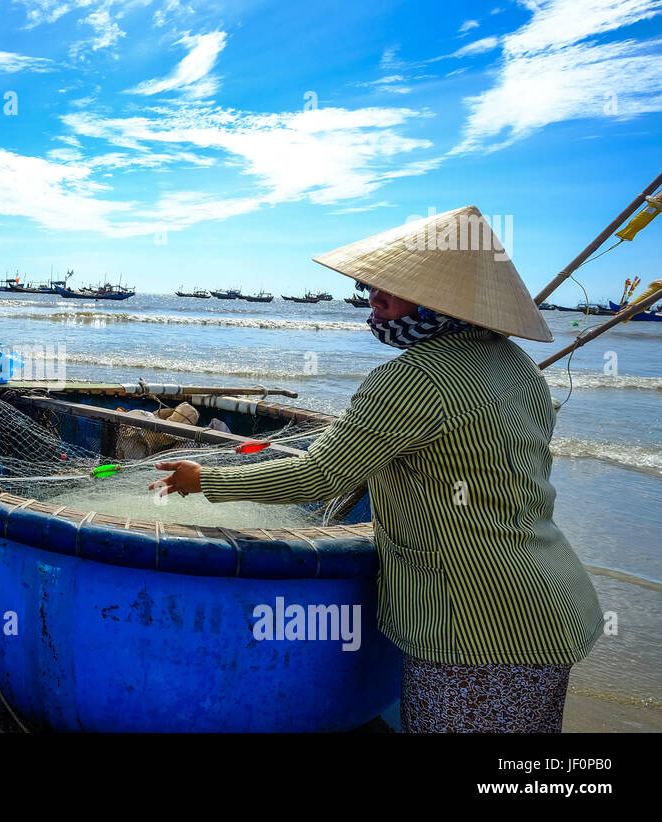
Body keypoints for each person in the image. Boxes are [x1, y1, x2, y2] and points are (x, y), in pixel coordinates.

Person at [149, 207, 601, 733]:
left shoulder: (412, 377)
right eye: (370, 284)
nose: (372, 297)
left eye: (392, 286)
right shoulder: (514, 364)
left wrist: (204, 479)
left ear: (442, 301)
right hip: (548, 603)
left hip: (475, 623)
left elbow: (318, 476)